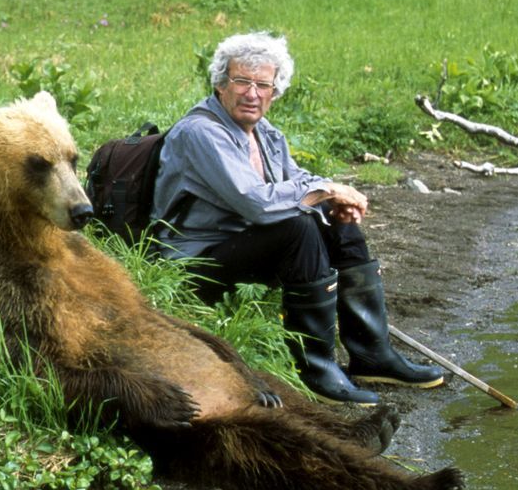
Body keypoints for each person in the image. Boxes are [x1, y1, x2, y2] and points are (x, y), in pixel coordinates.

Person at [151, 31, 443, 405]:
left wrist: (332, 200)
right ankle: (317, 368)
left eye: (262, 85)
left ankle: (374, 355)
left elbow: (298, 182)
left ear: (275, 91)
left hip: (245, 246)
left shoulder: (266, 133)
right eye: (241, 81)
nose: (251, 93)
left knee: (334, 220)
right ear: (221, 84)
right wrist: (325, 190)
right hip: (195, 264)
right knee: (298, 227)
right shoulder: (201, 133)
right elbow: (255, 203)